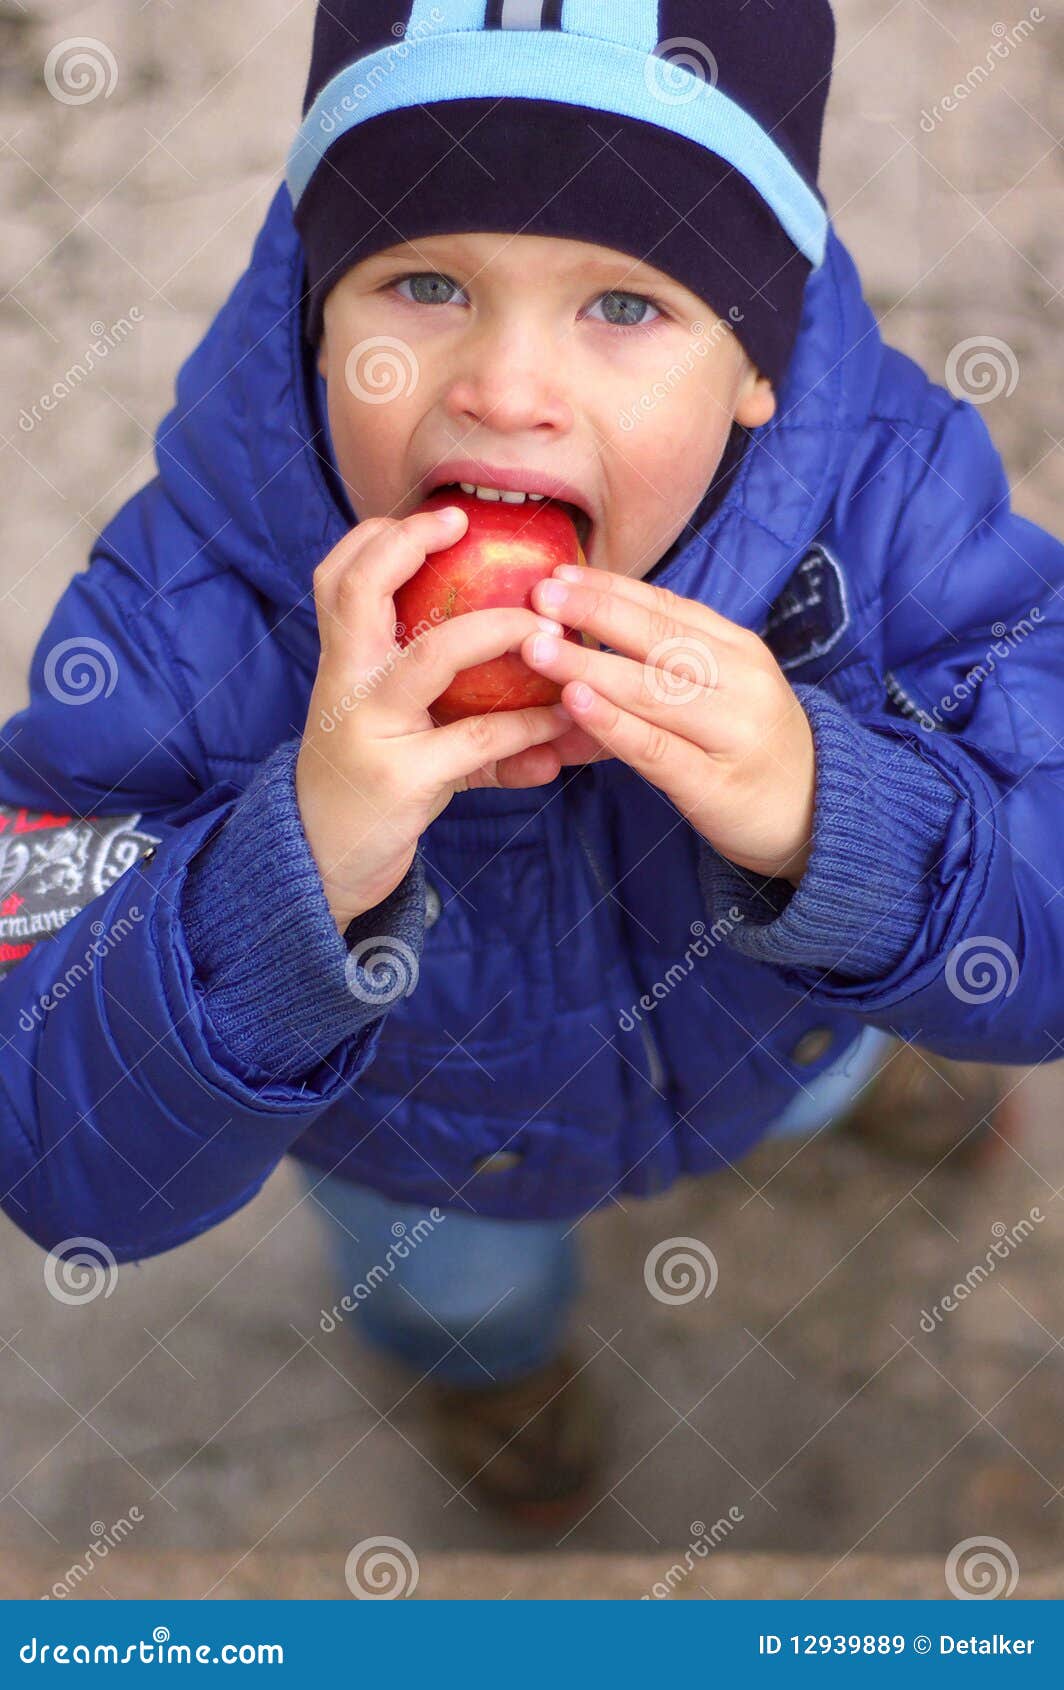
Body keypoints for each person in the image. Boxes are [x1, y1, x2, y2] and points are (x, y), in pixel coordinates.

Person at [0, 1, 1054, 1523]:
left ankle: (874, 1060)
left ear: (756, 362)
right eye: (424, 283)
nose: (504, 386)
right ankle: (493, 1380)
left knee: (845, 1056)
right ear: (316, 306)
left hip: (771, 1036)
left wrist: (840, 820)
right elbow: (58, 1147)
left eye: (623, 306)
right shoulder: (188, 610)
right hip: (428, 1162)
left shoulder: (884, 509)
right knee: (458, 1292)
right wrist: (286, 866)